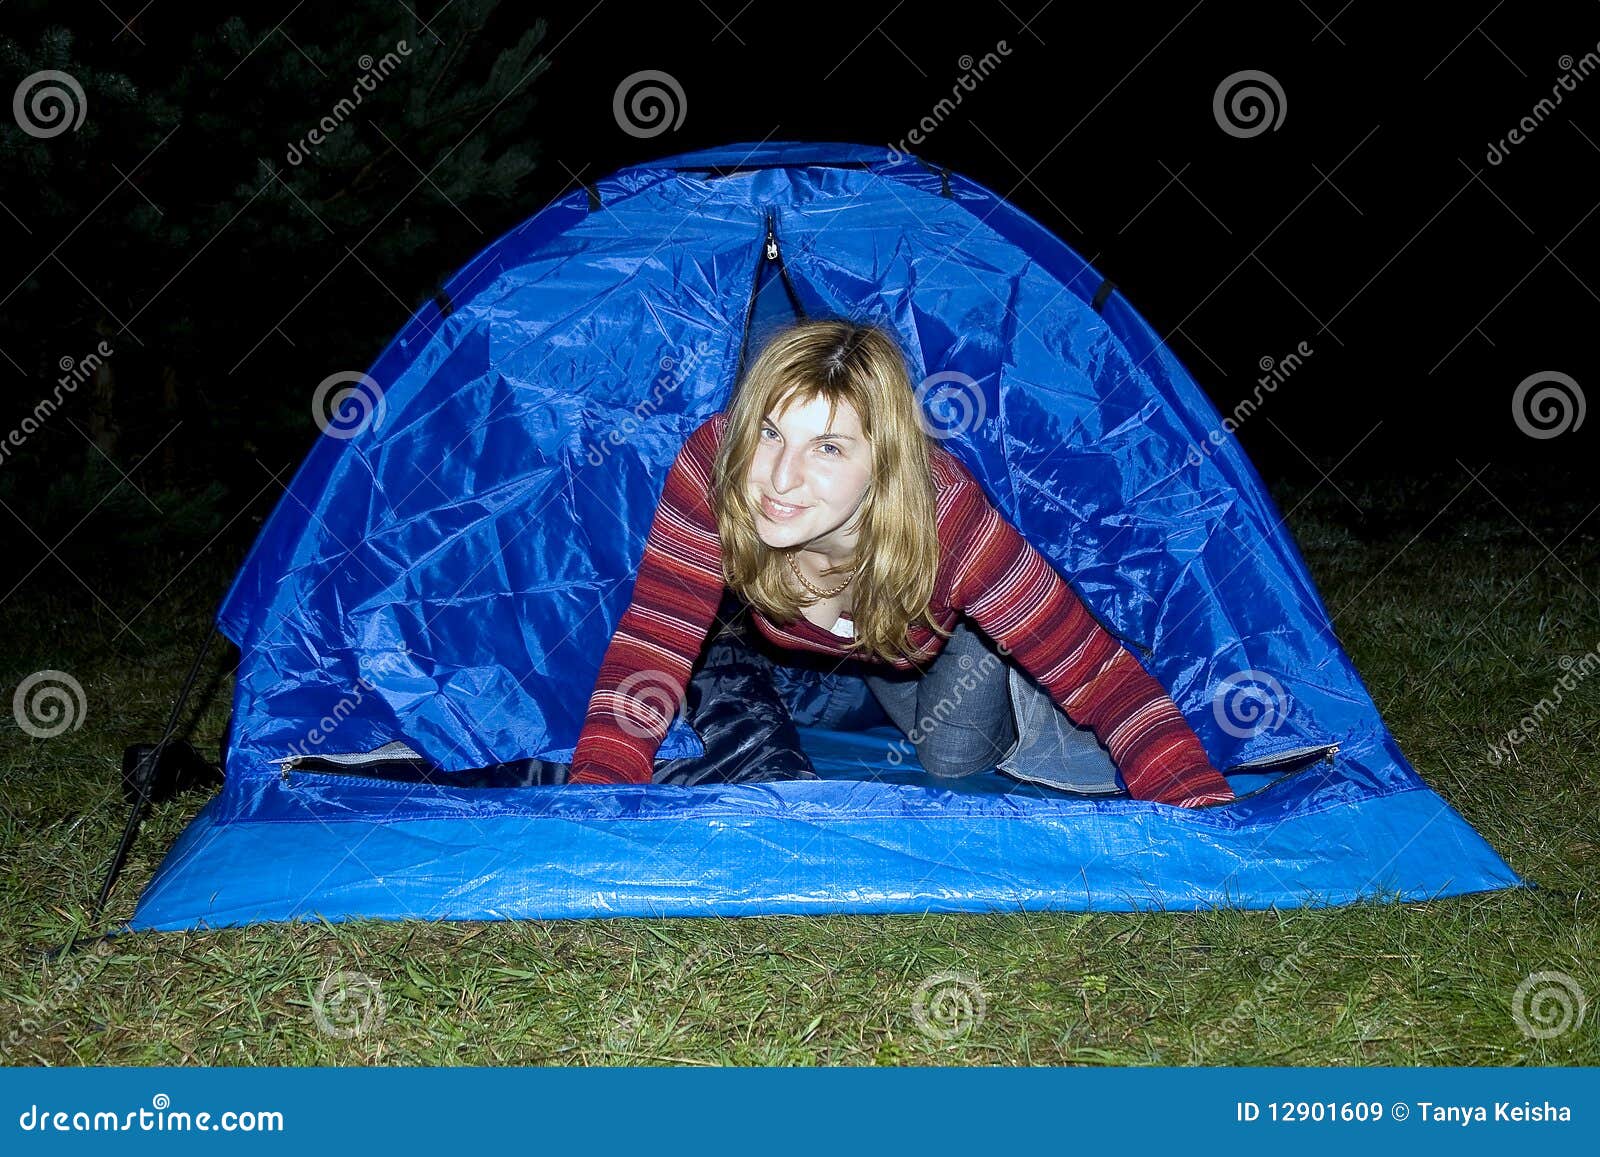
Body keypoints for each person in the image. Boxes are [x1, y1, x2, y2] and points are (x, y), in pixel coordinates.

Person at [568, 319, 1235, 808]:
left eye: (827, 448)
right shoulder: (718, 469)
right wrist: (592, 802)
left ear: (881, 465)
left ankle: (1008, 661)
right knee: (856, 697)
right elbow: (654, 640)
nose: (779, 477)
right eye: (772, 432)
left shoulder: (950, 519)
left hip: (943, 643)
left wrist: (1195, 799)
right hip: (866, 659)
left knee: (951, 755)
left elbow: (1096, 671)